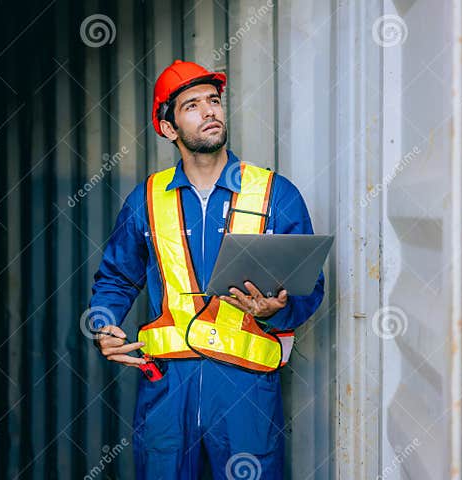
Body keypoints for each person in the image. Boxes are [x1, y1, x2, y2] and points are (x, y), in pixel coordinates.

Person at [87, 59, 325, 480]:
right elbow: (117, 278)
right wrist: (104, 325)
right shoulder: (146, 199)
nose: (210, 111)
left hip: (245, 395)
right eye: (192, 105)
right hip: (167, 392)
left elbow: (309, 286)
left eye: (213, 101)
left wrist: (275, 310)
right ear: (169, 128)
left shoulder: (275, 193)